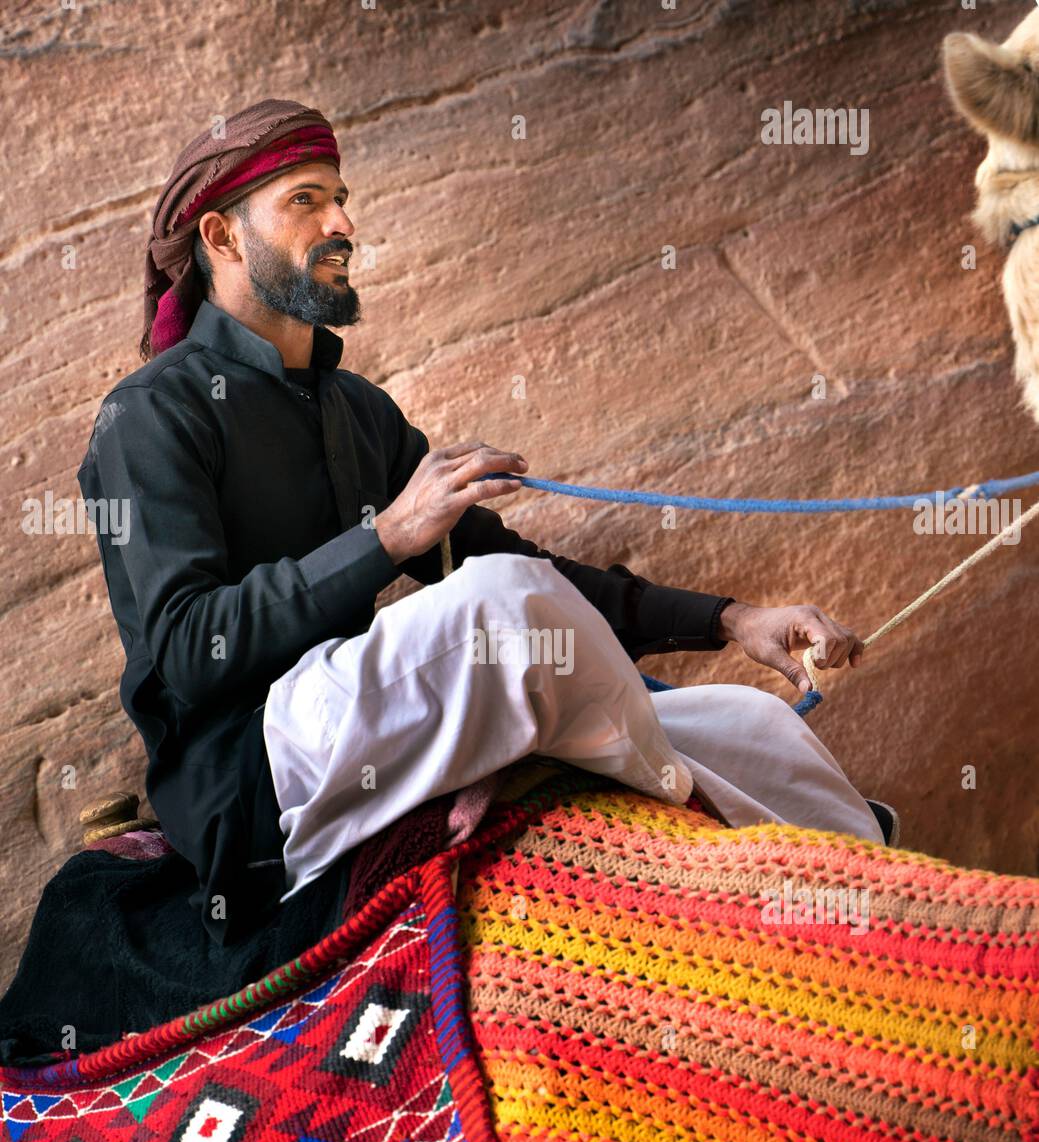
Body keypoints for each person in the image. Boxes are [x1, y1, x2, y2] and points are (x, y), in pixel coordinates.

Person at [78, 99, 884, 944]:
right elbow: (187, 648)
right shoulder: (148, 415)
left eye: (341, 197)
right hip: (249, 780)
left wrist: (730, 619)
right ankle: (692, 816)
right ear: (222, 237)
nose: (343, 222)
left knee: (744, 720)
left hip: (370, 724)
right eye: (306, 201)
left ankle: (881, 916)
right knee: (503, 609)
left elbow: (524, 575)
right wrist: (388, 537)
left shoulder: (358, 410)